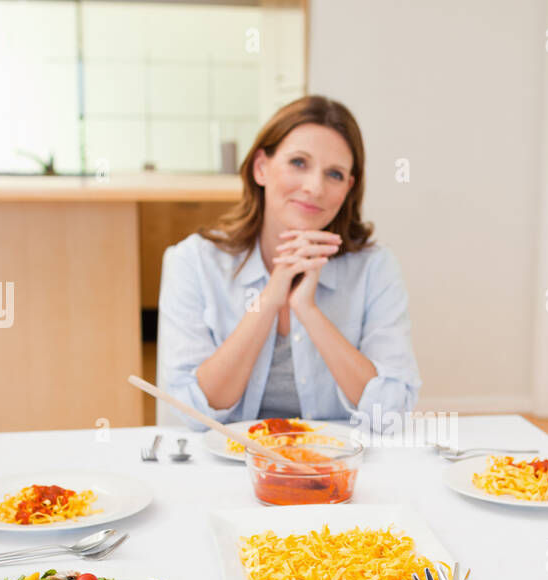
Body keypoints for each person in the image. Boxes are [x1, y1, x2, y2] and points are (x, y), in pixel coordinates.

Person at [157, 95, 420, 432]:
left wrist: (306, 309)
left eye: (335, 174)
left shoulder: (375, 268)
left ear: (348, 187)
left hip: (336, 467)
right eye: (299, 163)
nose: (314, 187)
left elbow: (391, 414)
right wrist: (269, 300)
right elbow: (193, 411)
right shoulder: (194, 261)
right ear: (261, 168)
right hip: (228, 465)